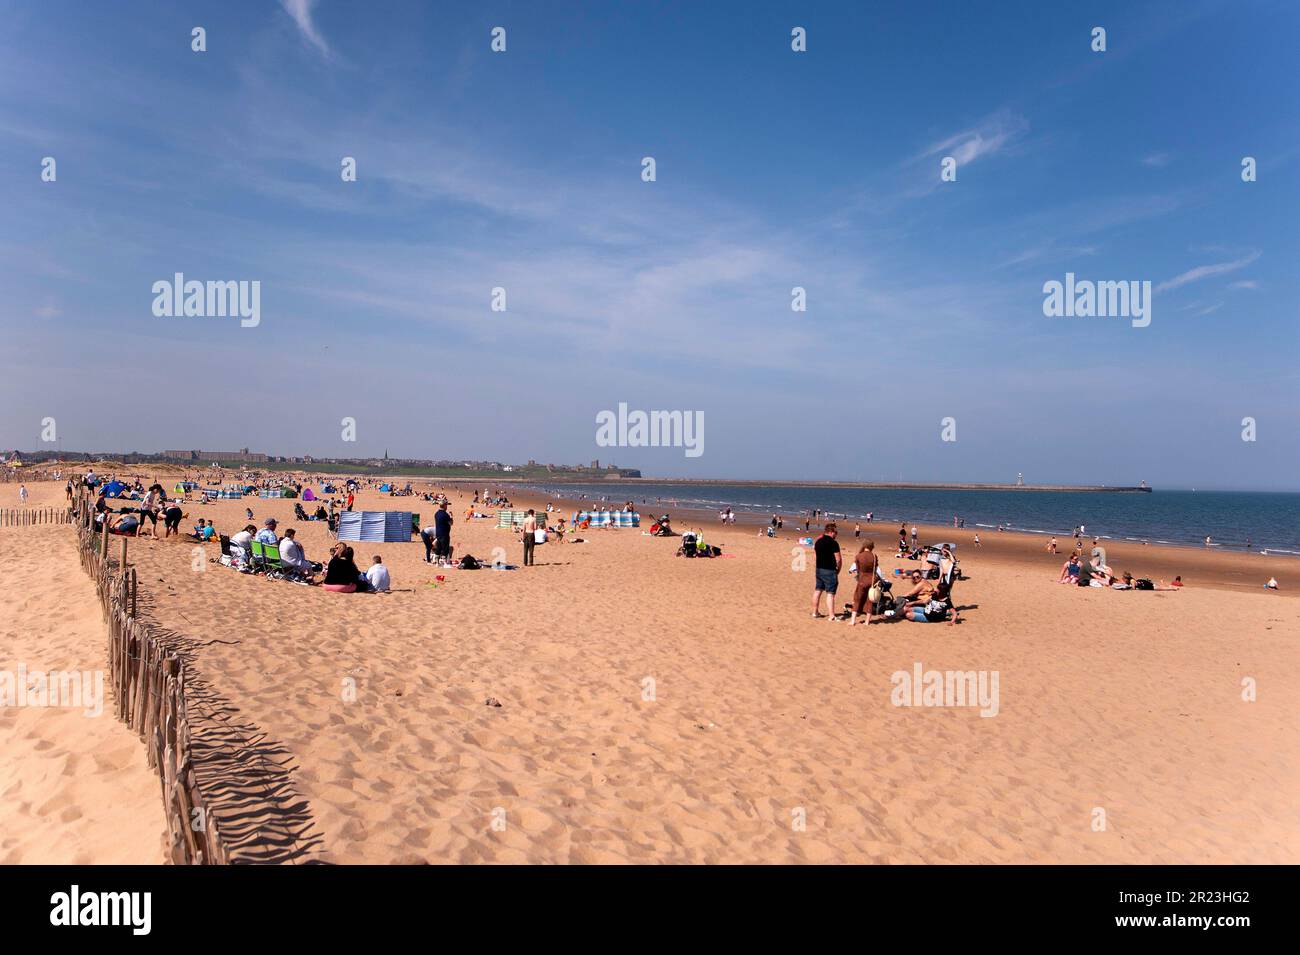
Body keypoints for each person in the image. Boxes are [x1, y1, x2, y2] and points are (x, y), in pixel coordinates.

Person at [811, 522, 841, 621]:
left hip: (819, 569)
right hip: (829, 570)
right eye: (836, 532)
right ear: (832, 532)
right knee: (830, 593)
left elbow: (815, 555)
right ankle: (831, 615)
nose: (836, 534)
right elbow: (838, 559)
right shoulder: (833, 543)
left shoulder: (818, 541)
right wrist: (838, 570)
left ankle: (815, 612)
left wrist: (818, 564)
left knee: (818, 590)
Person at [848, 539, 878, 626]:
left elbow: (858, 569)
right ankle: (867, 621)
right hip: (872, 580)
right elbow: (875, 569)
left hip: (862, 579)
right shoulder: (874, 556)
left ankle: (853, 620)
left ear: (864, 546)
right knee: (870, 601)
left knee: (857, 599)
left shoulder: (859, 556)